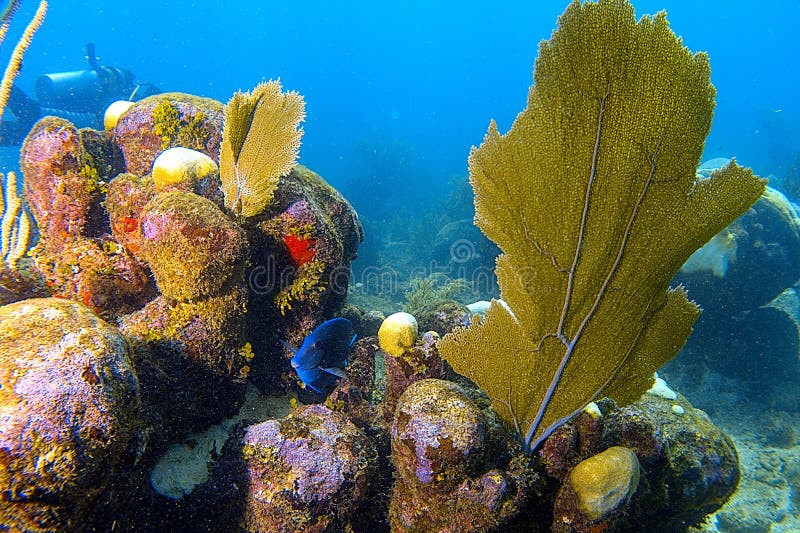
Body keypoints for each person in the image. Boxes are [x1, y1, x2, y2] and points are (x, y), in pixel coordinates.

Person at [0, 43, 160, 145]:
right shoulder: (131, 106)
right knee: (32, 116)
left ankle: (6, 87)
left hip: (74, 110)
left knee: (27, 129)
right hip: (82, 117)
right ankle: (5, 84)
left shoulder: (124, 95)